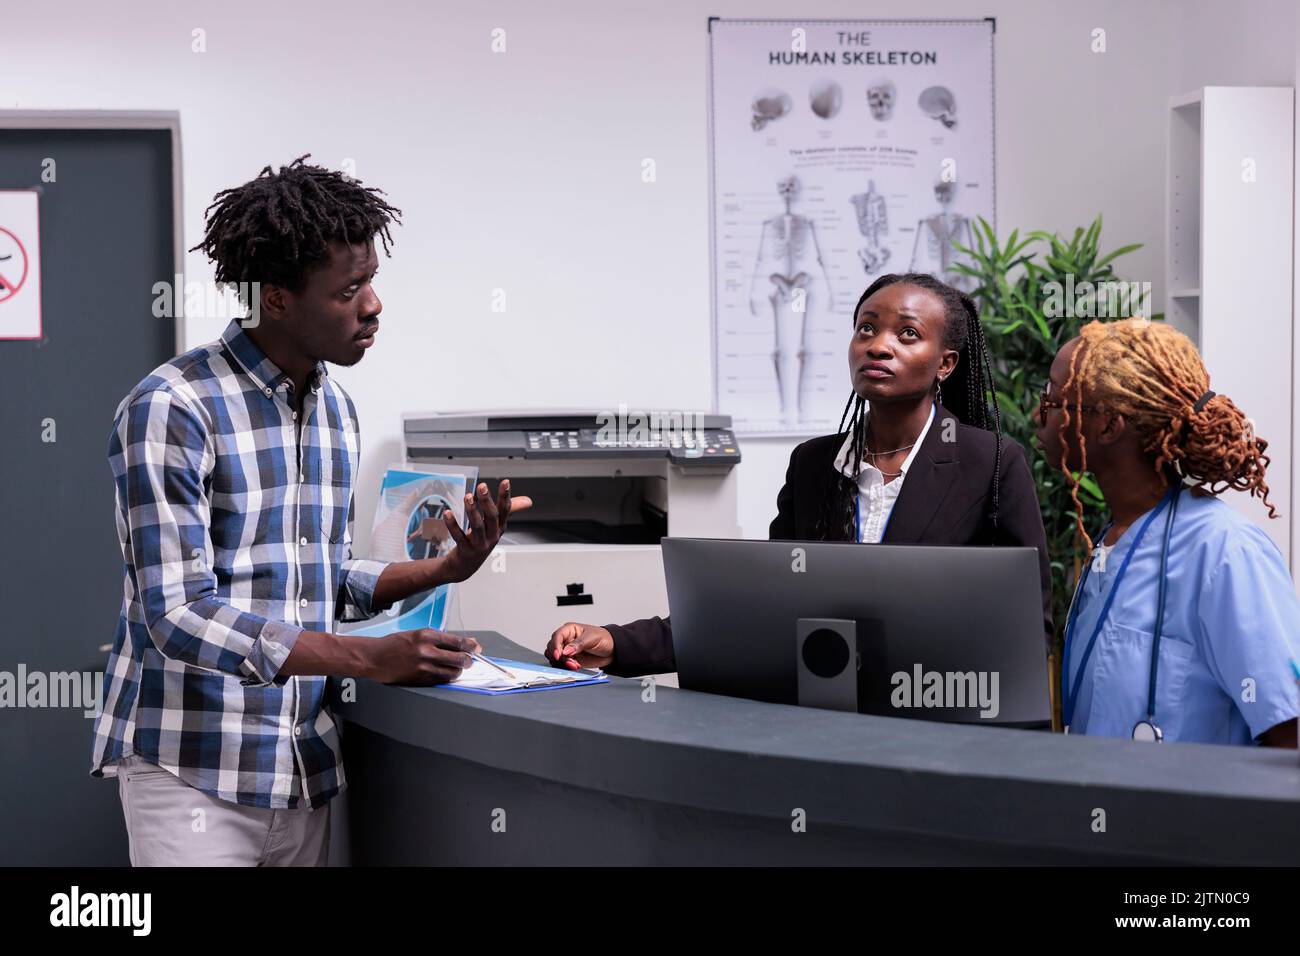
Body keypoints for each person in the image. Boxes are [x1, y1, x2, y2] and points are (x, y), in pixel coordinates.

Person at [90, 157, 531, 865]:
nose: (374, 305)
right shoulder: (171, 408)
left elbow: (320, 578)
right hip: (194, 773)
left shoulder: (334, 411)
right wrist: (369, 658)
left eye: (373, 282)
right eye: (350, 289)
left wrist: (446, 567)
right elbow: (174, 613)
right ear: (278, 299)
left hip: (306, 771)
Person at [548, 273, 1052, 676]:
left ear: (945, 363)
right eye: (866, 328)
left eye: (908, 334)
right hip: (821, 714)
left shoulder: (991, 463)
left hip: (937, 720)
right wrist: (618, 643)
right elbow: (763, 609)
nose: (878, 345)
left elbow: (1029, 624)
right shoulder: (813, 465)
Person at [1036, 318, 1299, 746]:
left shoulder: (1225, 551)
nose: (1038, 412)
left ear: (1107, 426)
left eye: (1052, 396)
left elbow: (1289, 732)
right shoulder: (1112, 541)